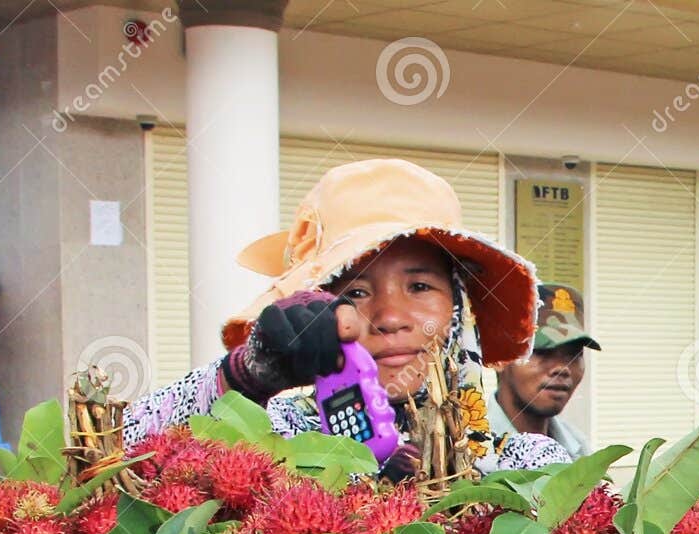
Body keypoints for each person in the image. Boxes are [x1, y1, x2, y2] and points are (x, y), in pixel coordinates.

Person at [124, 159, 566, 474]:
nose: (390, 317)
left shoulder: (526, 466)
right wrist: (249, 373)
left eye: (419, 287)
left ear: (457, 307)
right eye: (355, 292)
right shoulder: (276, 439)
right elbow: (123, 450)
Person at [491, 284, 600, 461]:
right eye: (541, 350)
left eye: (574, 354)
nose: (563, 368)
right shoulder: (467, 450)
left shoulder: (578, 451)